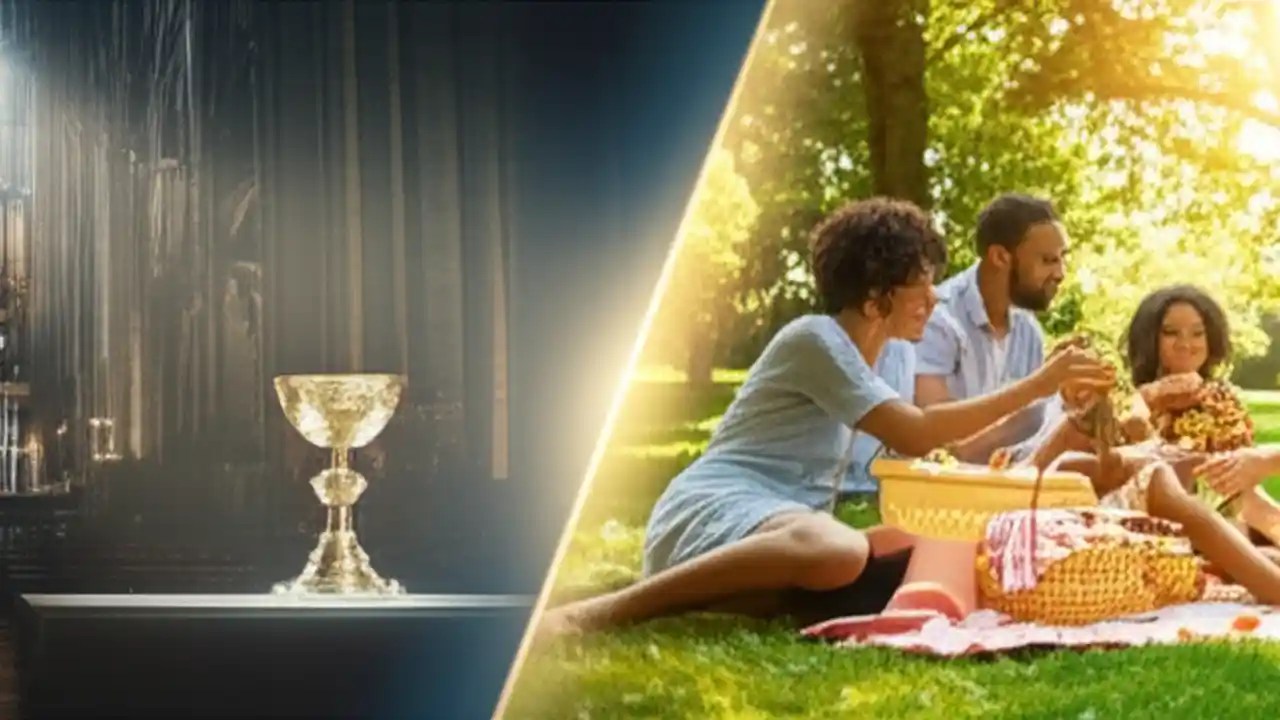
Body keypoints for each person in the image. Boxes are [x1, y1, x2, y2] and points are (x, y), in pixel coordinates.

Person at [535, 198, 1112, 638]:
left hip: (784, 527)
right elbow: (916, 429)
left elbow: (939, 441)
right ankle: (605, 611)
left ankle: (722, 596)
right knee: (837, 551)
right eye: (921, 286)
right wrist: (1038, 384)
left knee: (943, 542)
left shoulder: (894, 352)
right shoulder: (814, 340)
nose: (934, 300)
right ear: (874, 296)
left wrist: (1063, 420)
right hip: (719, 507)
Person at [906, 193, 1070, 464]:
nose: (1060, 273)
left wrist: (1063, 395)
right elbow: (937, 443)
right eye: (1048, 260)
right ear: (1000, 256)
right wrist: (1040, 387)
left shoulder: (1028, 332)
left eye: (1062, 258)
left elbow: (1031, 436)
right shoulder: (936, 319)